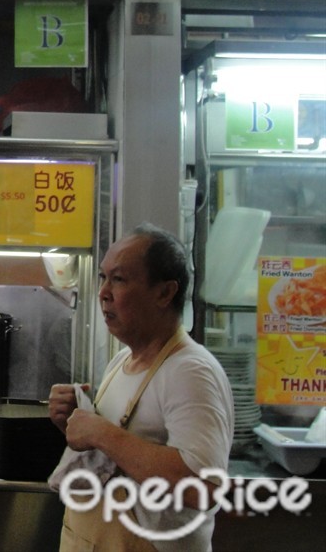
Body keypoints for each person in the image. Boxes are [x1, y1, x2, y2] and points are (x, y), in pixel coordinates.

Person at [48, 223, 234, 552]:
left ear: (164, 293)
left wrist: (101, 433)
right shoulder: (121, 362)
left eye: (118, 279)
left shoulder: (190, 371)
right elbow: (119, 459)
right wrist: (74, 423)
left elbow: (203, 488)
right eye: (103, 277)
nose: (104, 292)